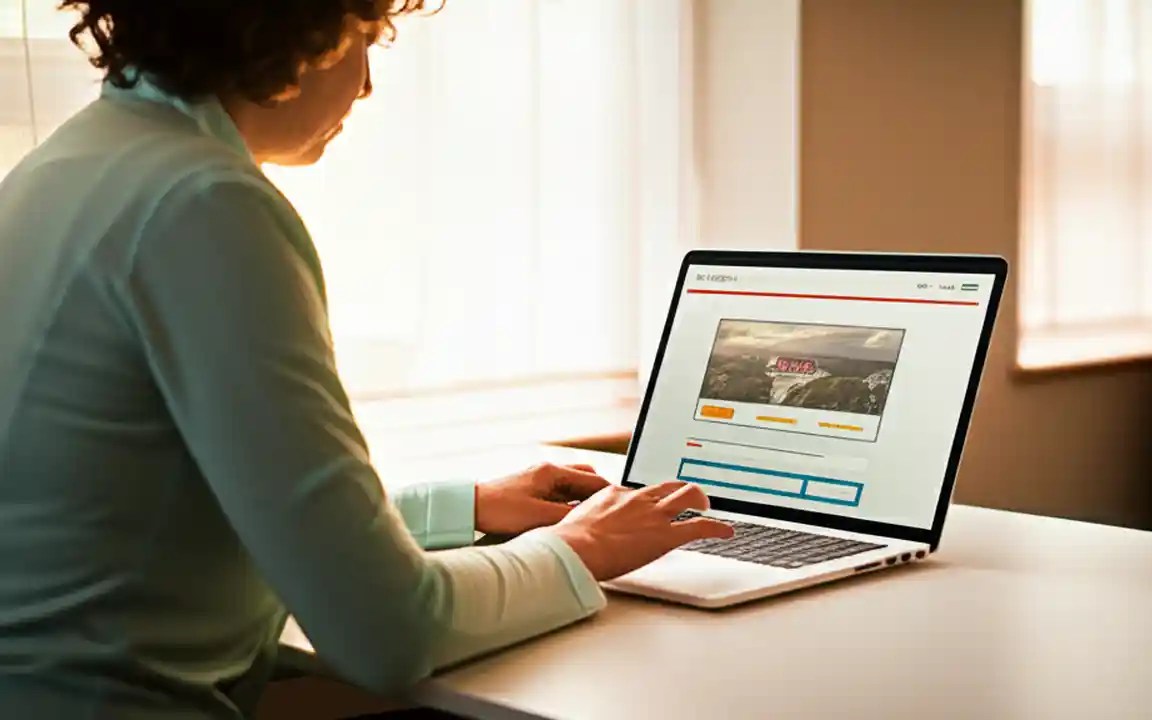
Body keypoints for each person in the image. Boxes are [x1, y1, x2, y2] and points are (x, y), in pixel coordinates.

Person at [0, 1, 733, 717]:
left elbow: (222, 518)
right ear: (292, 24)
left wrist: (463, 507)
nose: (364, 84)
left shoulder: (62, 168)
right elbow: (387, 630)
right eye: (362, 39)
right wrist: (584, 547)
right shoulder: (204, 203)